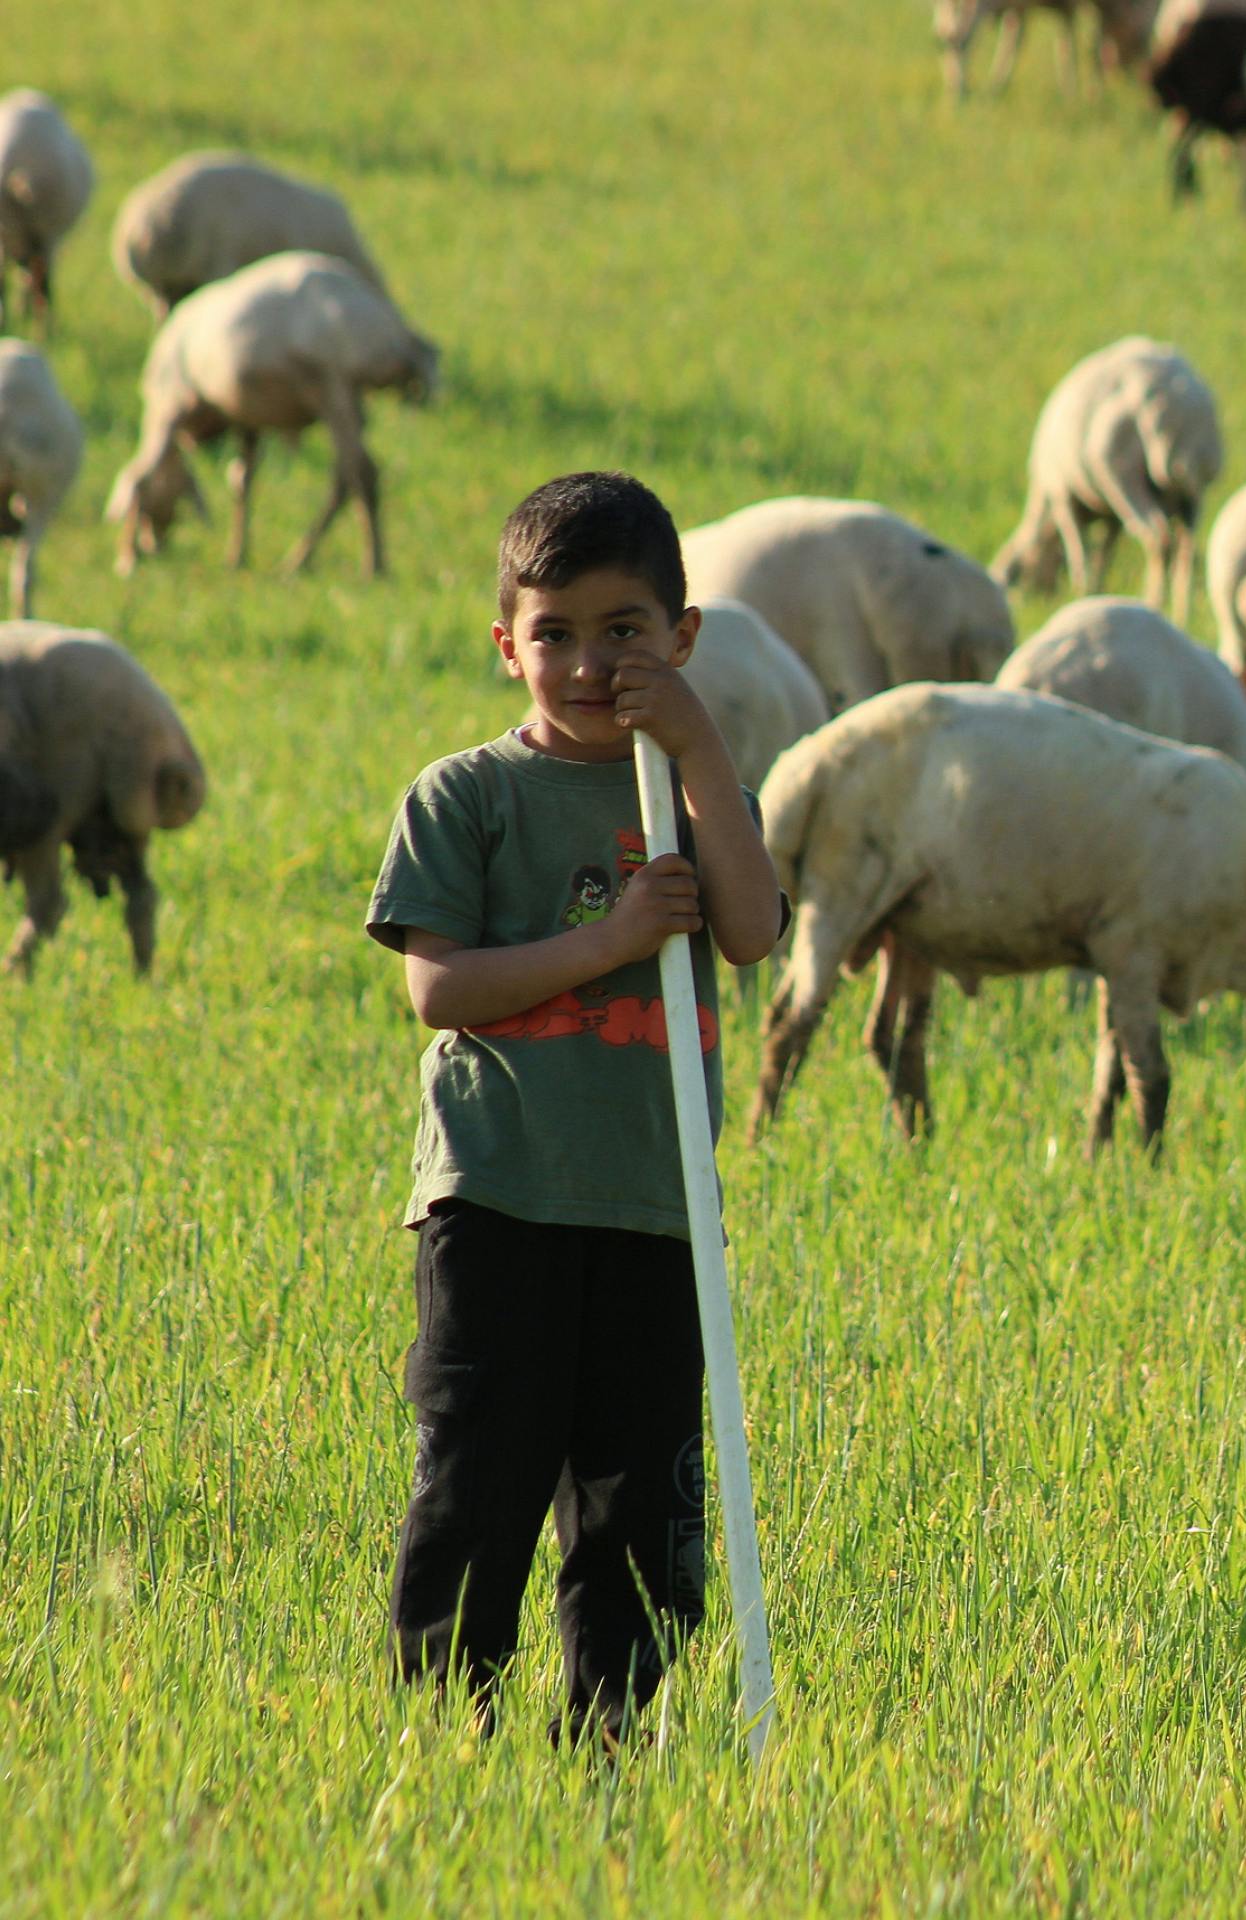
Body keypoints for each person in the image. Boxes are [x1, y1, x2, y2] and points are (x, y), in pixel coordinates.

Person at [364, 471, 784, 1743]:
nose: (589, 662)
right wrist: (614, 942)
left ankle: (612, 1739)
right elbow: (437, 988)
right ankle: (445, 1728)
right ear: (507, 646)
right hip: (500, 1196)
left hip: (658, 1206)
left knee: (639, 1500)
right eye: (553, 634)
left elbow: (755, 931)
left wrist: (702, 747)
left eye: (626, 633)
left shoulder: (693, 797)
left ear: (683, 641)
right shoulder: (467, 796)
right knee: (482, 1475)